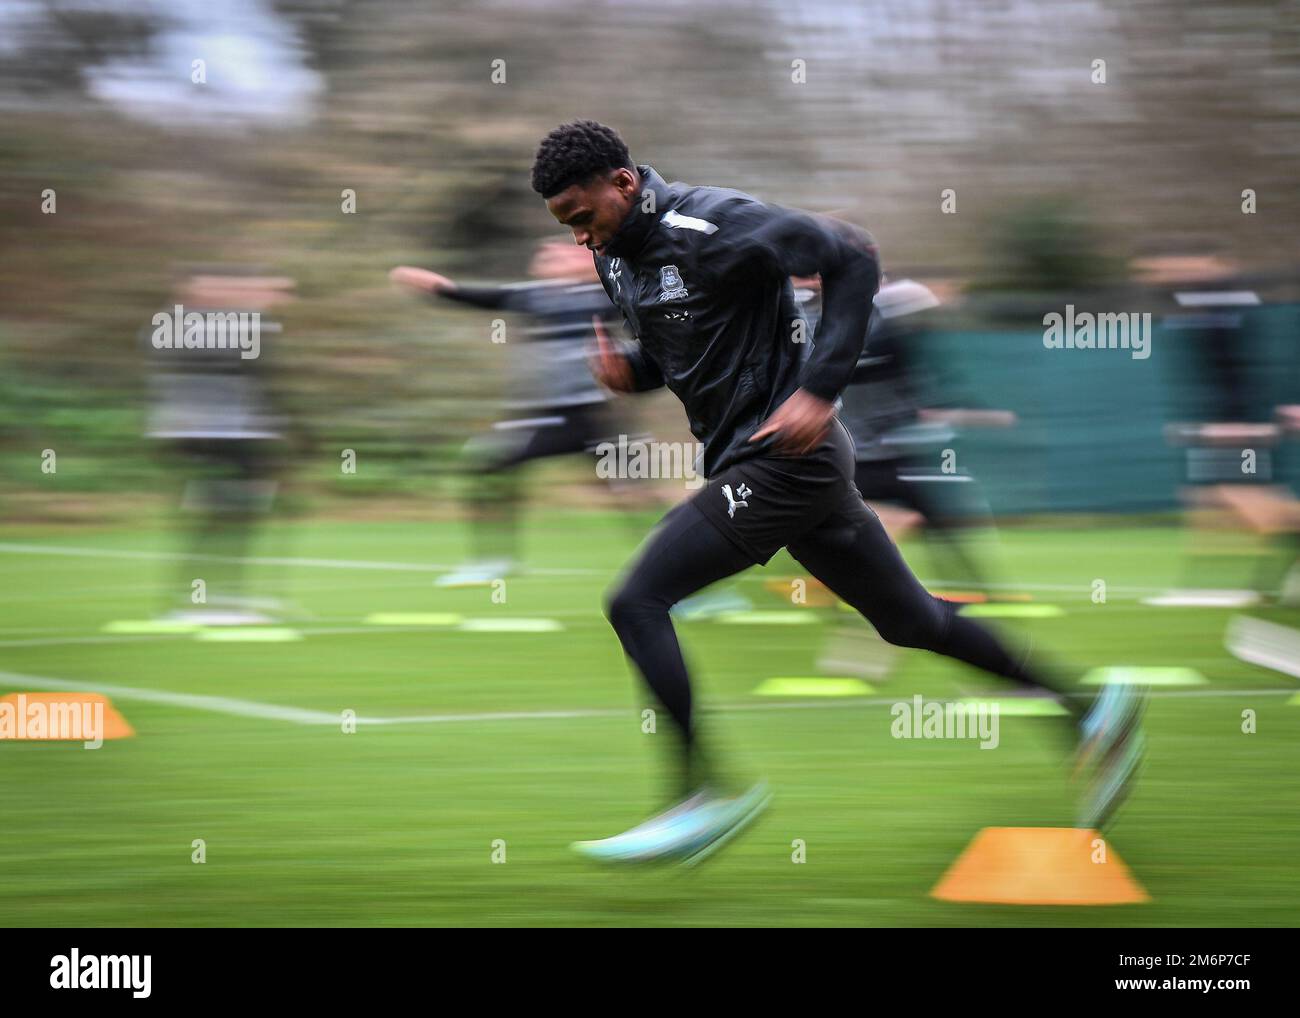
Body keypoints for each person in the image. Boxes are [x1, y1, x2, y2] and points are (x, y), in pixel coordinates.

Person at [530, 120, 1141, 864]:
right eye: (566, 228)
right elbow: (684, 343)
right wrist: (635, 371)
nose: (581, 241)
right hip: (772, 463)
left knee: (635, 600)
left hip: (785, 462)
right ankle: (1090, 710)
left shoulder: (712, 222)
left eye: (584, 219)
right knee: (911, 622)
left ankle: (703, 795)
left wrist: (821, 387)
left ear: (622, 184)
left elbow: (852, 254)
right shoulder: (617, 257)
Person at [391, 240, 642, 585]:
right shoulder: (531, 296)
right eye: (544, 257)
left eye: (558, 255)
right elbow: (475, 297)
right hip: (548, 418)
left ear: (584, 262)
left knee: (633, 495)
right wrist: (436, 287)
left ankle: (686, 576)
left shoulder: (606, 296)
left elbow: (652, 313)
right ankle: (493, 562)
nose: (547, 260)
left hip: (595, 417)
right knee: (488, 467)